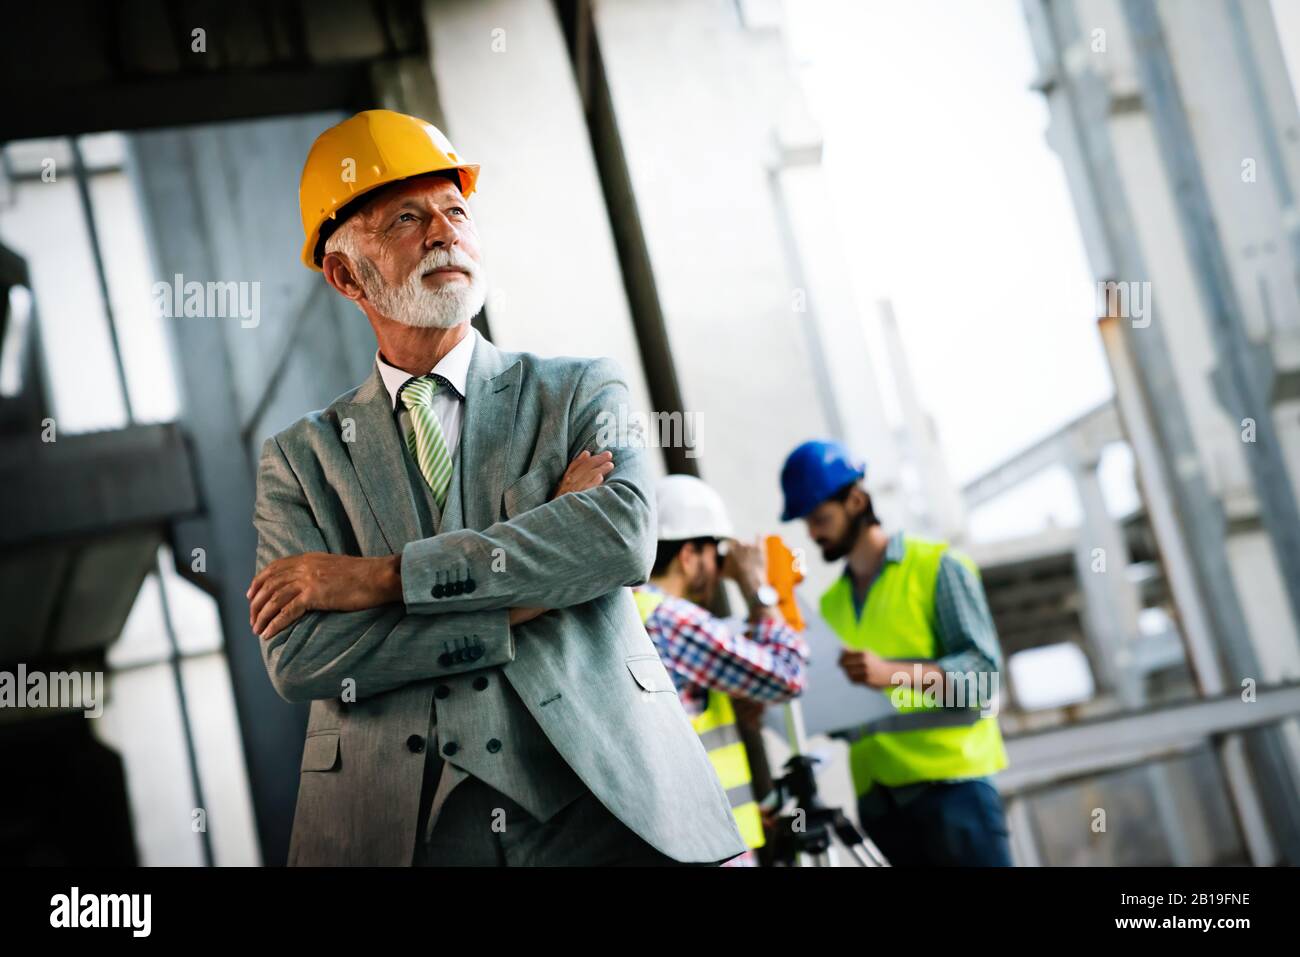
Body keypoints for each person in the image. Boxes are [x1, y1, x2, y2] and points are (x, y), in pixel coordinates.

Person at [246, 109, 746, 866]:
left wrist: (380, 579)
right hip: (409, 832)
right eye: (406, 218)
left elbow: (616, 538)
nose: (443, 232)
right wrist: (540, 568)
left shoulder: (578, 390)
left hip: (606, 806)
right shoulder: (299, 461)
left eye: (455, 211)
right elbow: (305, 657)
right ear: (346, 274)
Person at [779, 439, 1012, 866]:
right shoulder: (829, 606)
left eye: (819, 518)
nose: (812, 533)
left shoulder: (937, 567)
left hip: (953, 793)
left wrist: (891, 673)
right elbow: (857, 720)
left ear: (855, 500)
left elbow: (983, 679)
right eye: (806, 523)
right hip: (881, 810)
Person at [634, 475, 810, 866]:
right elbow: (789, 674)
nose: (718, 570)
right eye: (714, 553)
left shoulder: (635, 611)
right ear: (688, 555)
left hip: (685, 836)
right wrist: (756, 587)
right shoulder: (673, 618)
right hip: (706, 844)